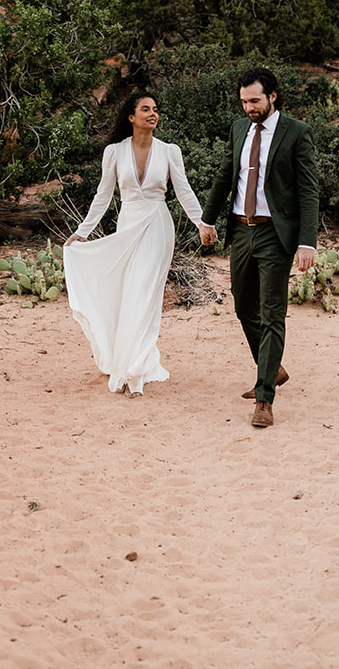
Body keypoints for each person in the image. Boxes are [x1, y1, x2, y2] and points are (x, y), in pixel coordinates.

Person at [64, 91, 217, 397]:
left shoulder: (170, 151)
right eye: (145, 109)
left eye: (155, 109)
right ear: (131, 117)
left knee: (146, 293)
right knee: (130, 293)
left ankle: (135, 373)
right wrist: (82, 232)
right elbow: (103, 196)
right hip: (128, 226)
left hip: (158, 226)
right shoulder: (114, 152)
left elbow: (184, 192)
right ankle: (129, 361)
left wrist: (202, 222)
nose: (152, 114)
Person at [202, 67, 319, 429]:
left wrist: (307, 242)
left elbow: (308, 190)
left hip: (275, 234)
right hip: (241, 229)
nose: (249, 108)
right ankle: (274, 367)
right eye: (243, 102)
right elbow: (227, 175)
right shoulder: (239, 129)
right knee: (242, 304)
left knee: (272, 314)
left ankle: (265, 397)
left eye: (254, 101)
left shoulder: (296, 133)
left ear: (273, 97)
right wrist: (208, 219)